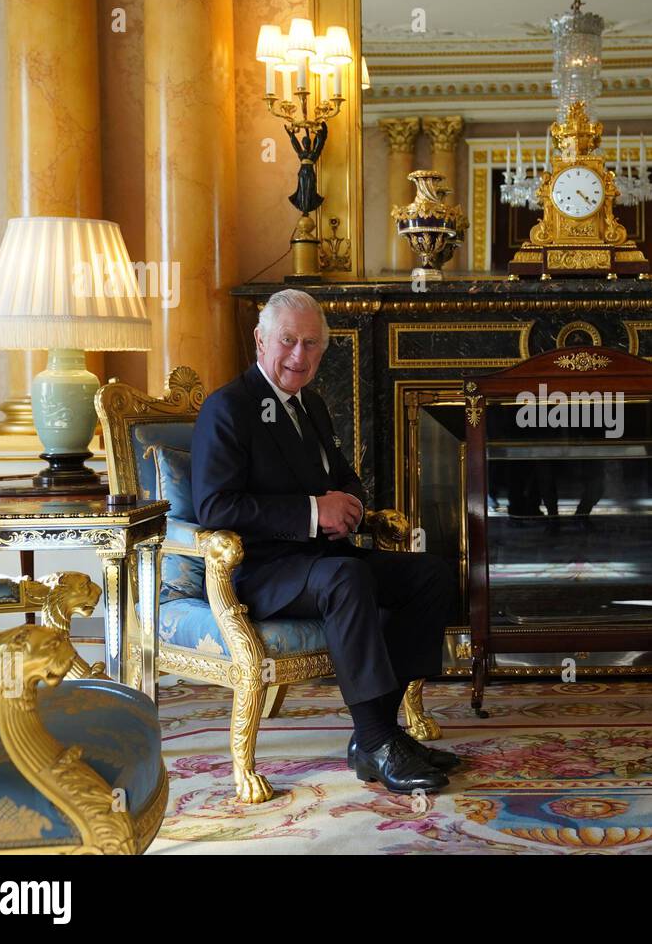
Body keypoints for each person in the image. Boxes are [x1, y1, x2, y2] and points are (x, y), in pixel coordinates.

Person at [192, 288, 458, 793]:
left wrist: (351, 507)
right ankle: (378, 740)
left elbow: (345, 478)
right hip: (263, 570)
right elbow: (216, 507)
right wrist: (316, 512)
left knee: (431, 573)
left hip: (321, 560)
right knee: (348, 575)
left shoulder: (310, 405)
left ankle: (377, 735)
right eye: (288, 340)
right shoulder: (228, 407)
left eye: (311, 344)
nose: (299, 355)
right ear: (260, 339)